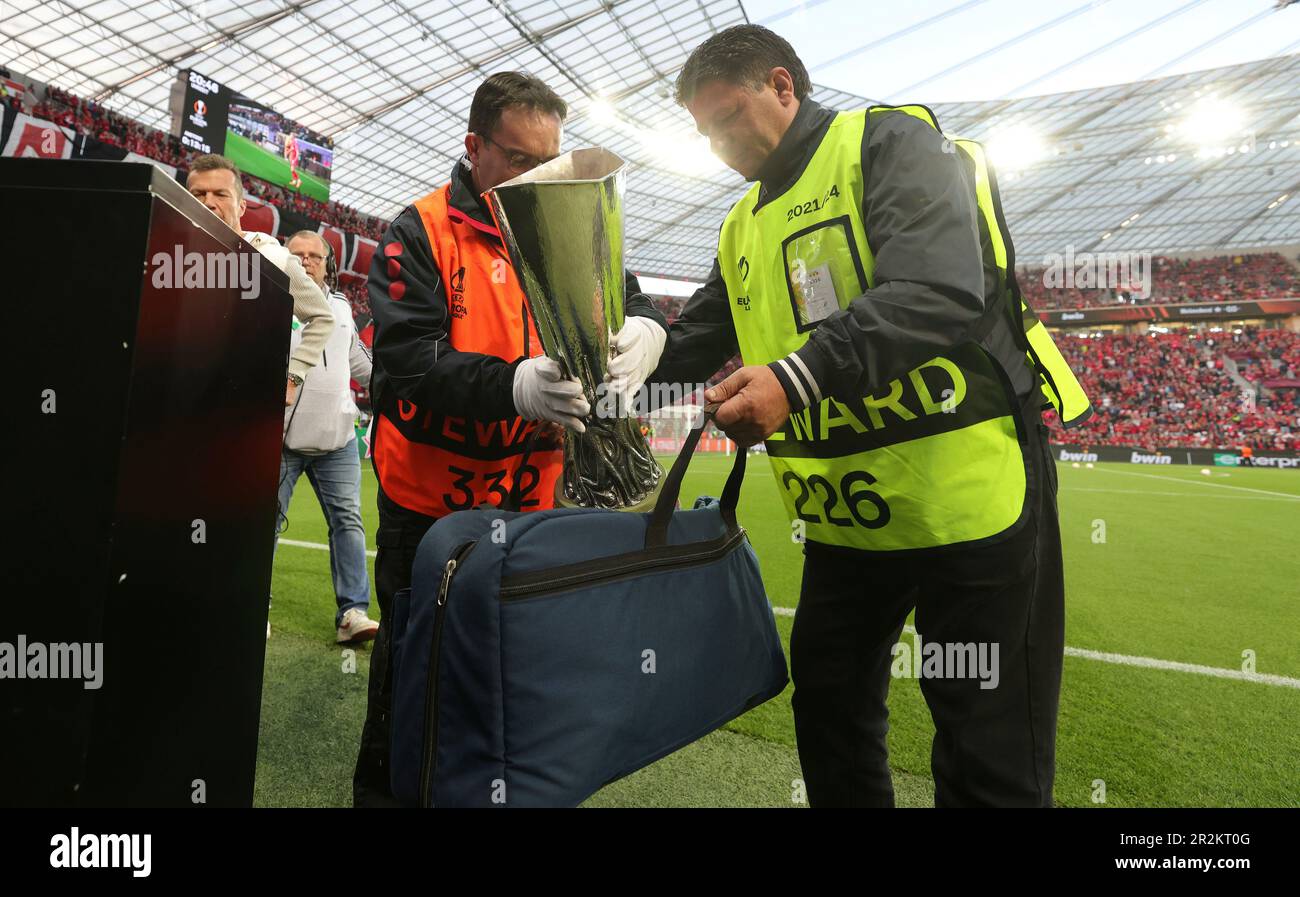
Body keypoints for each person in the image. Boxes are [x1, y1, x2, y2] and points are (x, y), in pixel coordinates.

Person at [624, 25, 1091, 807]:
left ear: (783, 86)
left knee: (983, 739)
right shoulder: (741, 224)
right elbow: (690, 343)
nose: (717, 143)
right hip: (851, 525)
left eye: (729, 116)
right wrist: (621, 346)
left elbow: (936, 289)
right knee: (832, 711)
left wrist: (794, 380)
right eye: (704, 131)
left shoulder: (888, 143)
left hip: (966, 512)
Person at [352, 71, 667, 807]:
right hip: (428, 512)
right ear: (474, 147)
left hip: (534, 513)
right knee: (411, 680)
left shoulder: (570, 218)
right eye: (522, 159)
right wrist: (515, 387)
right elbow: (406, 365)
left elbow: (632, 296)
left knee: (518, 679)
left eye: (551, 159)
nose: (542, 176)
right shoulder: (419, 231)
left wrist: (650, 329)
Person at [274, 230, 378, 644]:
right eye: (296, 254)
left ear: (329, 265)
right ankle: (249, 604)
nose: (305, 261)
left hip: (337, 440)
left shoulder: (341, 307)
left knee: (348, 522)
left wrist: (395, 386)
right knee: (263, 526)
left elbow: (357, 360)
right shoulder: (268, 303)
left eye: (314, 256)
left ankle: (352, 613)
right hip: (279, 440)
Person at [185, 154, 333, 409]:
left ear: (241, 206)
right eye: (198, 194)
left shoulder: (271, 256)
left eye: (220, 194)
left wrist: (293, 376)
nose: (208, 203)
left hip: (244, 406)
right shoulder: (173, 252)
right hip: (182, 398)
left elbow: (323, 317)